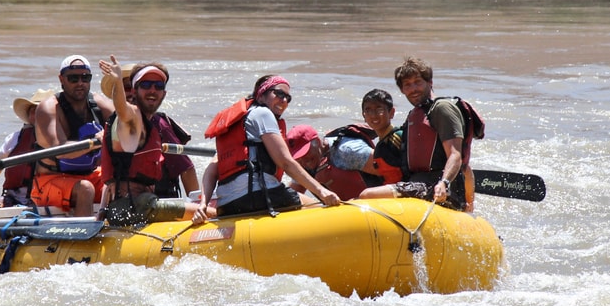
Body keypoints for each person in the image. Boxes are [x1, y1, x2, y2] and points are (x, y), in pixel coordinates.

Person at [202, 75, 341, 217]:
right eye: (279, 93)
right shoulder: (263, 113)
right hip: (258, 195)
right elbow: (285, 162)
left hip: (227, 205)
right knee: (318, 209)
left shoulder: (235, 124)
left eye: (288, 98)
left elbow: (212, 170)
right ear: (261, 96)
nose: (284, 100)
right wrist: (321, 191)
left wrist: (203, 204)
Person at [358, 58, 484, 212]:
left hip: (438, 187)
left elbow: (455, 154)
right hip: (417, 183)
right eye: (407, 85)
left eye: (418, 82)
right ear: (402, 90)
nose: (413, 89)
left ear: (430, 82)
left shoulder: (442, 109)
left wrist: (444, 183)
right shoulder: (414, 115)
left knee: (367, 195)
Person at [95, 58, 208, 226]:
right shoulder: (129, 116)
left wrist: (196, 202)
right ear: (134, 90)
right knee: (212, 213)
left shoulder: (156, 125)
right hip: (138, 206)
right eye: (146, 85)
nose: (152, 90)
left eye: (158, 86)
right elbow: (123, 109)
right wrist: (117, 80)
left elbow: (185, 168)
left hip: (143, 203)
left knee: (206, 210)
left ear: (164, 93)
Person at [30, 55, 115, 216]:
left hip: (88, 174)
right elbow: (59, 150)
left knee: (119, 183)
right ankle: (82, 236)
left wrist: (118, 85)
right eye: (73, 78)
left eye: (85, 77)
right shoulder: (48, 108)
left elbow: (125, 125)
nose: (80, 83)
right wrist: (96, 141)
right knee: (85, 189)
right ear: (61, 79)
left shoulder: (98, 103)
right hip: (50, 180)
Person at [317, 89, 405, 201]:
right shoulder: (382, 143)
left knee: (366, 195)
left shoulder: (398, 137)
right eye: (368, 110)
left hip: (406, 189)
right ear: (363, 115)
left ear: (391, 112)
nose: (373, 115)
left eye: (379, 109)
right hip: (392, 189)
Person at [0, 88, 52, 208]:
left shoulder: (61, 139)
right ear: (28, 116)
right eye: (33, 111)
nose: (37, 116)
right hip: (13, 197)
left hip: (47, 197)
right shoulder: (16, 138)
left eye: (41, 111)